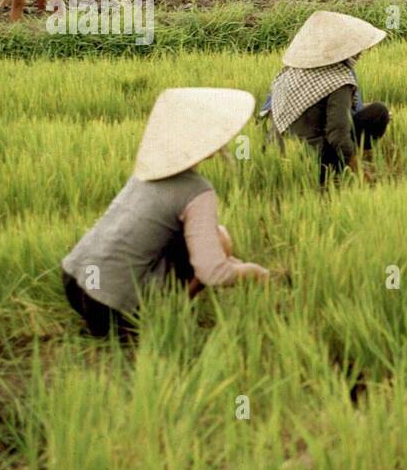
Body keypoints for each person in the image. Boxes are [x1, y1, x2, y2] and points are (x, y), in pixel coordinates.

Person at [61, 88, 271, 340]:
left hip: (76, 284)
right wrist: (255, 273)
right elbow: (212, 273)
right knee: (220, 240)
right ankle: (168, 317)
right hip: (112, 309)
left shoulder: (144, 173)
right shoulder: (197, 191)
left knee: (217, 238)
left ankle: (117, 312)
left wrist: (230, 261)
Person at [267, 10, 390, 185]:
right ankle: (344, 168)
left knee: (363, 112)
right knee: (378, 112)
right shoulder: (338, 81)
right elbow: (337, 135)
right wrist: (360, 172)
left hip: (279, 155)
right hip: (316, 160)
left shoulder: (289, 73)